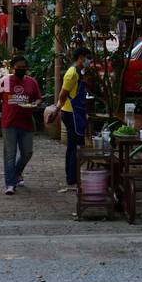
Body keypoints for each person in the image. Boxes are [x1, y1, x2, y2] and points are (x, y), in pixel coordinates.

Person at [0, 55, 41, 194]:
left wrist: (35, 104)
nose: (21, 70)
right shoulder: (5, 81)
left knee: (27, 152)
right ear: (12, 68)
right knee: (10, 154)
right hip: (9, 122)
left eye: (24, 68)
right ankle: (10, 184)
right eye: (18, 68)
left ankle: (16, 172)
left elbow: (38, 99)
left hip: (26, 122)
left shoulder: (31, 82)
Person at [55, 46, 90, 191]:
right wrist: (56, 110)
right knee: (74, 147)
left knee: (74, 145)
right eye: (88, 58)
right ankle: (71, 178)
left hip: (78, 112)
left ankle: (73, 176)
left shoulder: (79, 72)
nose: (89, 61)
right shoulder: (71, 74)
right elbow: (63, 95)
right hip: (71, 114)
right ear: (81, 57)